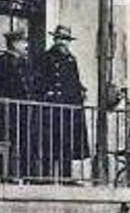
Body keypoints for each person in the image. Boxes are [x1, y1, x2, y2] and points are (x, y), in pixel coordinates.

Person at [35, 25, 89, 181]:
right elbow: (37, 81)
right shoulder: (45, 58)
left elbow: (74, 82)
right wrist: (46, 93)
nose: (63, 43)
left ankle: (66, 178)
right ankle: (46, 178)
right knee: (49, 144)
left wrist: (81, 92)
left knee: (67, 145)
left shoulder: (71, 60)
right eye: (60, 39)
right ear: (55, 39)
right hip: (50, 110)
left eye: (66, 40)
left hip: (67, 111)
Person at [0, 28, 35, 178]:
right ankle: (8, 175)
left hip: (25, 112)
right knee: (9, 143)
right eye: (23, 42)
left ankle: (24, 176)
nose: (26, 45)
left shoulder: (26, 63)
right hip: (9, 111)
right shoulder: (0, 62)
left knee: (25, 143)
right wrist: (2, 101)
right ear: (14, 44)